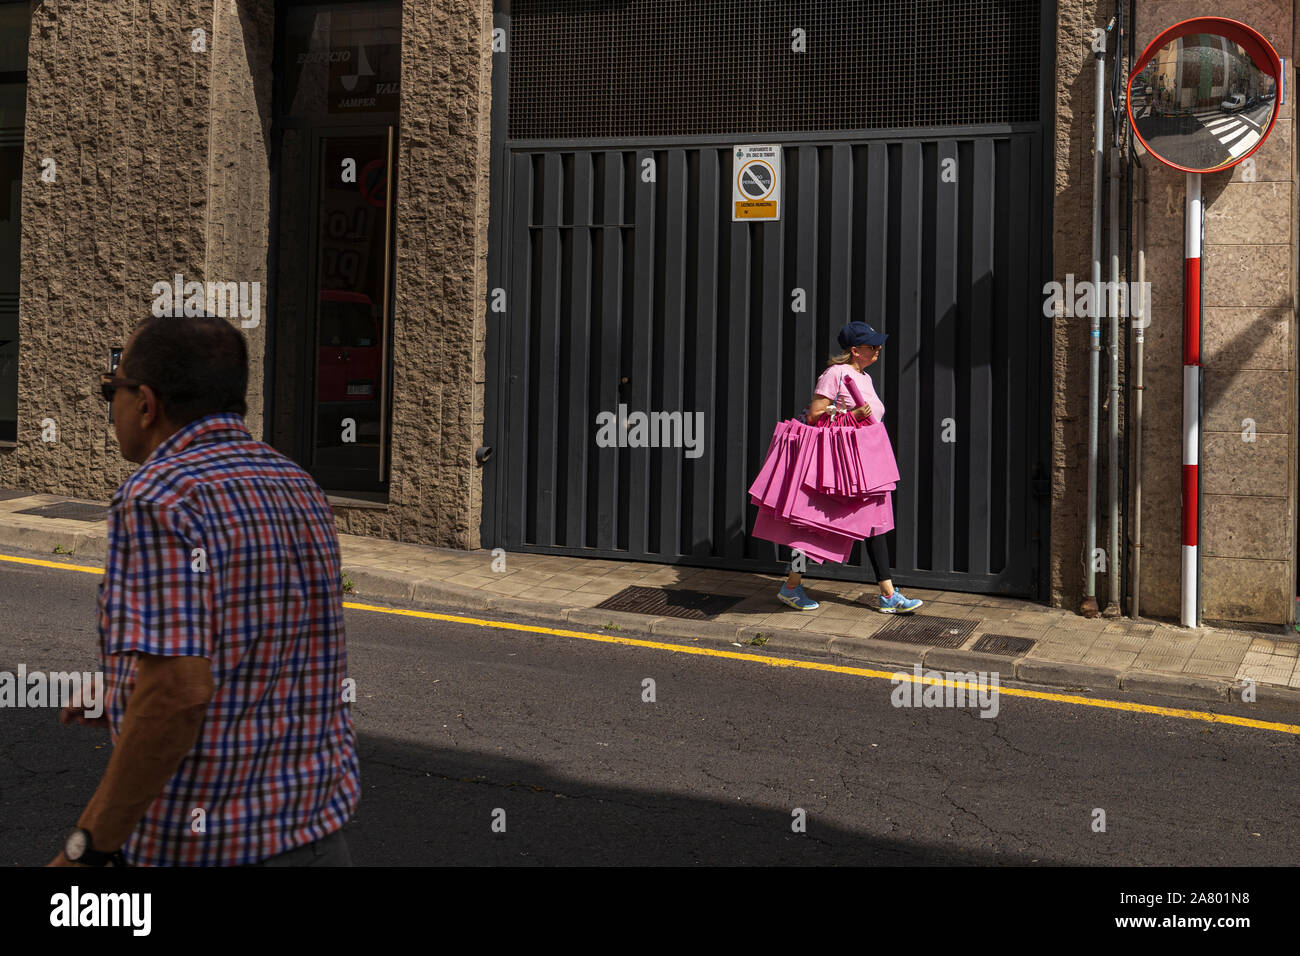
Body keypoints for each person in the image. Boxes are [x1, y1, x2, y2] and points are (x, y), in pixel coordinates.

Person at [50, 314, 359, 867]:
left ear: (145, 402)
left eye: (110, 391)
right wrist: (126, 694)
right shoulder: (297, 484)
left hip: (205, 847)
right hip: (315, 834)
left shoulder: (158, 497)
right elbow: (268, 649)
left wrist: (87, 847)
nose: (111, 406)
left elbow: (178, 694)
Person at [776, 320, 923, 615]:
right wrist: (852, 414)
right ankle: (791, 587)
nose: (879, 349)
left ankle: (888, 594)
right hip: (838, 465)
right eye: (872, 345)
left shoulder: (863, 377)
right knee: (812, 525)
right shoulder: (835, 374)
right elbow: (815, 415)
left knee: (875, 525)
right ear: (855, 350)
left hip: (862, 464)